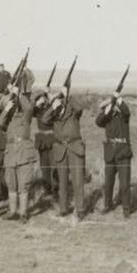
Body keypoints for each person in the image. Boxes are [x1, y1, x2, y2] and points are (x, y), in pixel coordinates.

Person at [0, 84, 39, 222]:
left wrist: (19, 94)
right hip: (11, 154)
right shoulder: (9, 118)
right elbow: (0, 123)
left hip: (24, 154)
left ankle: (23, 213)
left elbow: (29, 108)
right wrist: (6, 109)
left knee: (24, 184)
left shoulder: (26, 117)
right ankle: (13, 211)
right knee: (11, 183)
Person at [43, 86, 85, 220]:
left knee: (78, 180)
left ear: (62, 101)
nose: (57, 103)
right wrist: (52, 108)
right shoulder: (54, 115)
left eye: (59, 101)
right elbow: (44, 119)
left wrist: (69, 96)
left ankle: (80, 209)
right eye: (55, 101)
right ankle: (63, 208)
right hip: (61, 150)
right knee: (62, 181)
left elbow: (79, 108)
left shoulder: (72, 112)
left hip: (74, 148)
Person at [94, 90, 132, 213]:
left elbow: (126, 111)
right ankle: (107, 205)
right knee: (108, 182)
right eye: (107, 107)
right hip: (110, 153)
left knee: (125, 182)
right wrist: (106, 111)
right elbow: (98, 121)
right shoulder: (106, 119)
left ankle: (126, 207)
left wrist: (118, 98)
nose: (111, 108)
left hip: (123, 152)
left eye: (111, 106)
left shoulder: (123, 117)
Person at [33, 85, 57, 195]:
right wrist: (36, 104)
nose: (40, 100)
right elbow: (30, 110)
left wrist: (49, 94)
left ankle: (57, 188)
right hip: (42, 141)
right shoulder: (36, 109)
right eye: (38, 99)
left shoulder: (50, 107)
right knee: (44, 165)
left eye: (42, 98)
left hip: (52, 139)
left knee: (54, 165)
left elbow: (55, 106)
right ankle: (47, 187)